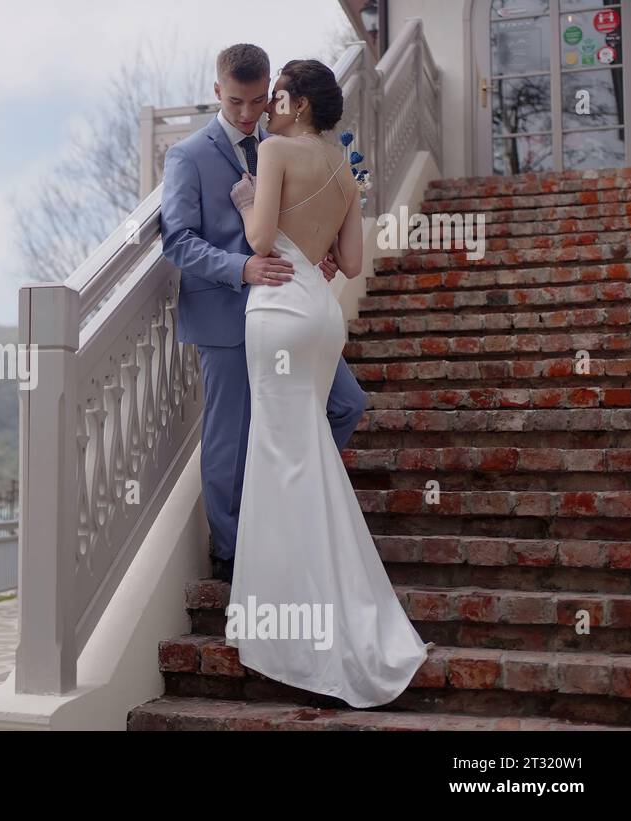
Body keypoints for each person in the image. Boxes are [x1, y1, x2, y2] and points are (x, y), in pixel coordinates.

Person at [222, 58, 433, 708]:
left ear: (303, 104)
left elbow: (259, 238)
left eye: (281, 94)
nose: (273, 104)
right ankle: (326, 606)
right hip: (319, 315)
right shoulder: (344, 165)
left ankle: (302, 624)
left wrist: (249, 198)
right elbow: (351, 262)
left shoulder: (278, 148)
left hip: (281, 310)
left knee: (284, 461)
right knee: (305, 456)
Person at [159, 44, 367, 586]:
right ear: (216, 92)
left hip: (289, 312)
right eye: (235, 102)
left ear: (272, 91)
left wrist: (312, 253)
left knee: (346, 405)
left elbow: (299, 216)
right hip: (227, 313)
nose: (248, 114)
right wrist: (241, 269)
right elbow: (178, 241)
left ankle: (283, 514)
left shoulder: (283, 144)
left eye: (257, 100)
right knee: (229, 441)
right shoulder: (188, 155)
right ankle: (232, 555)